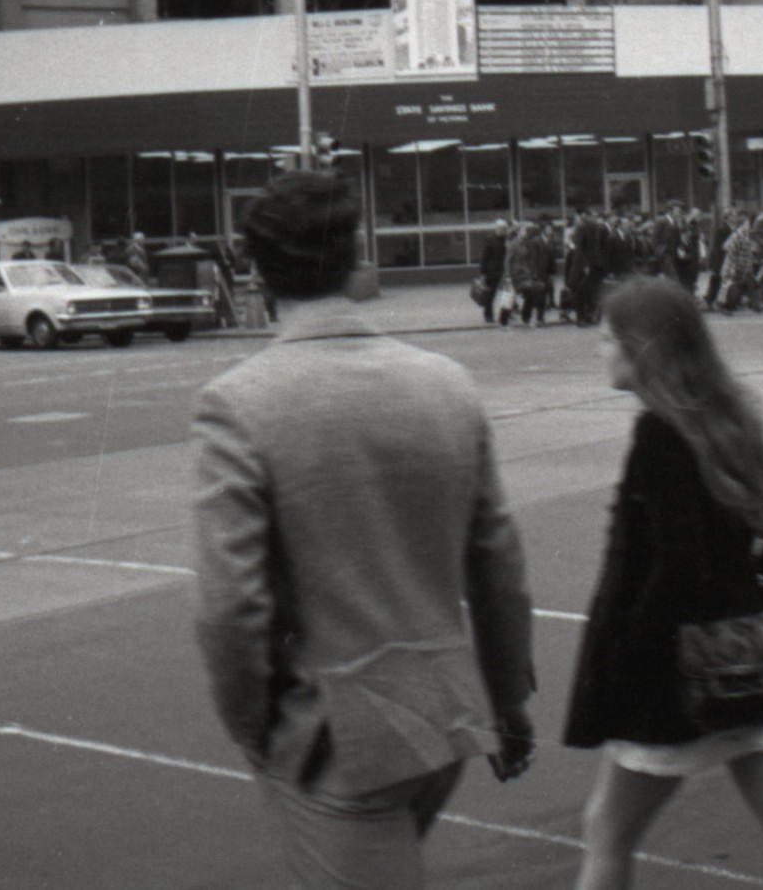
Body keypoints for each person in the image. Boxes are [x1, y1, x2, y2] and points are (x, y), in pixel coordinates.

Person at [191, 171, 536, 889]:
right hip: (441, 716)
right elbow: (497, 561)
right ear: (354, 258)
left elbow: (231, 605)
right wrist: (506, 700)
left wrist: (256, 729)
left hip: (336, 737)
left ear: (259, 272)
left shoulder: (237, 403)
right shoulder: (445, 380)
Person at [564, 277, 763, 890]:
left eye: (605, 339)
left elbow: (677, 570)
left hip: (672, 688)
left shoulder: (658, 434)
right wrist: (749, 607)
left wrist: (629, 660)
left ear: (639, 347)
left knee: (606, 832)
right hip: (750, 669)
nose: (599, 351)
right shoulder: (726, 419)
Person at [479, 219, 510, 324]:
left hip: (504, 272)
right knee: (490, 295)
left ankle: (507, 314)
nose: (505, 230)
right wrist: (483, 274)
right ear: (497, 228)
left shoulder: (506, 240)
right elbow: (484, 257)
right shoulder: (490, 240)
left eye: (506, 228)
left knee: (507, 294)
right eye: (503, 228)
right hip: (492, 273)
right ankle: (488, 315)